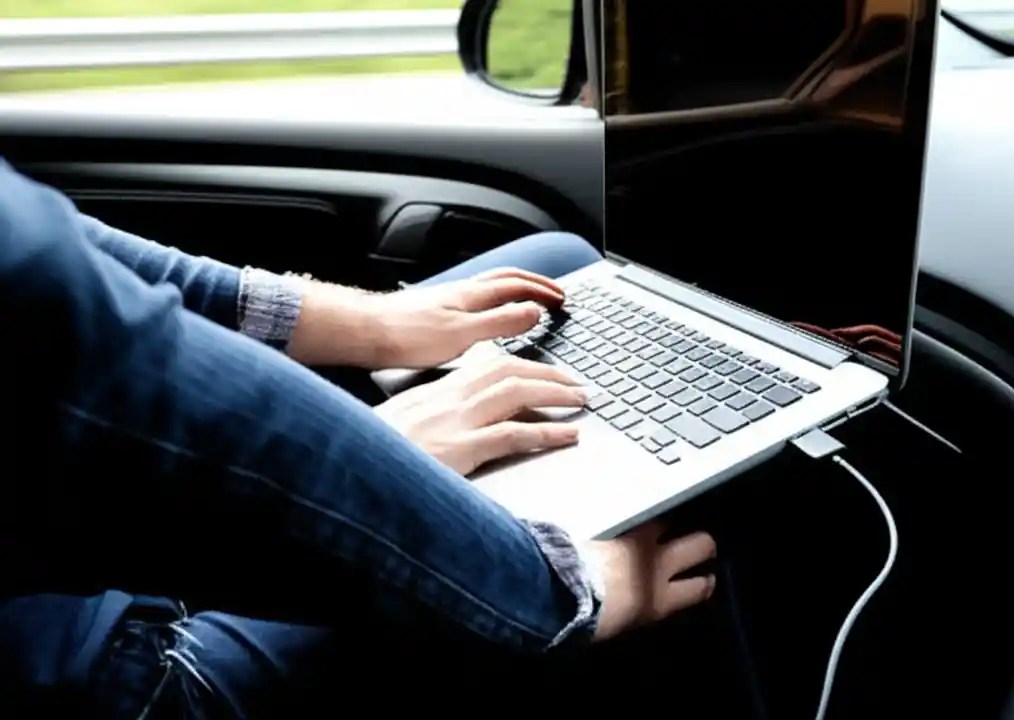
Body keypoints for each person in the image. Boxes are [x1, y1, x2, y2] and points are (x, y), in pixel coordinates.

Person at [0, 158, 718, 718]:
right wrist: (560, 592)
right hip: (126, 678)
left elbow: (67, 264)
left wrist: (380, 327)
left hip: (58, 581)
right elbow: (111, 364)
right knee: (673, 524)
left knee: (557, 261)